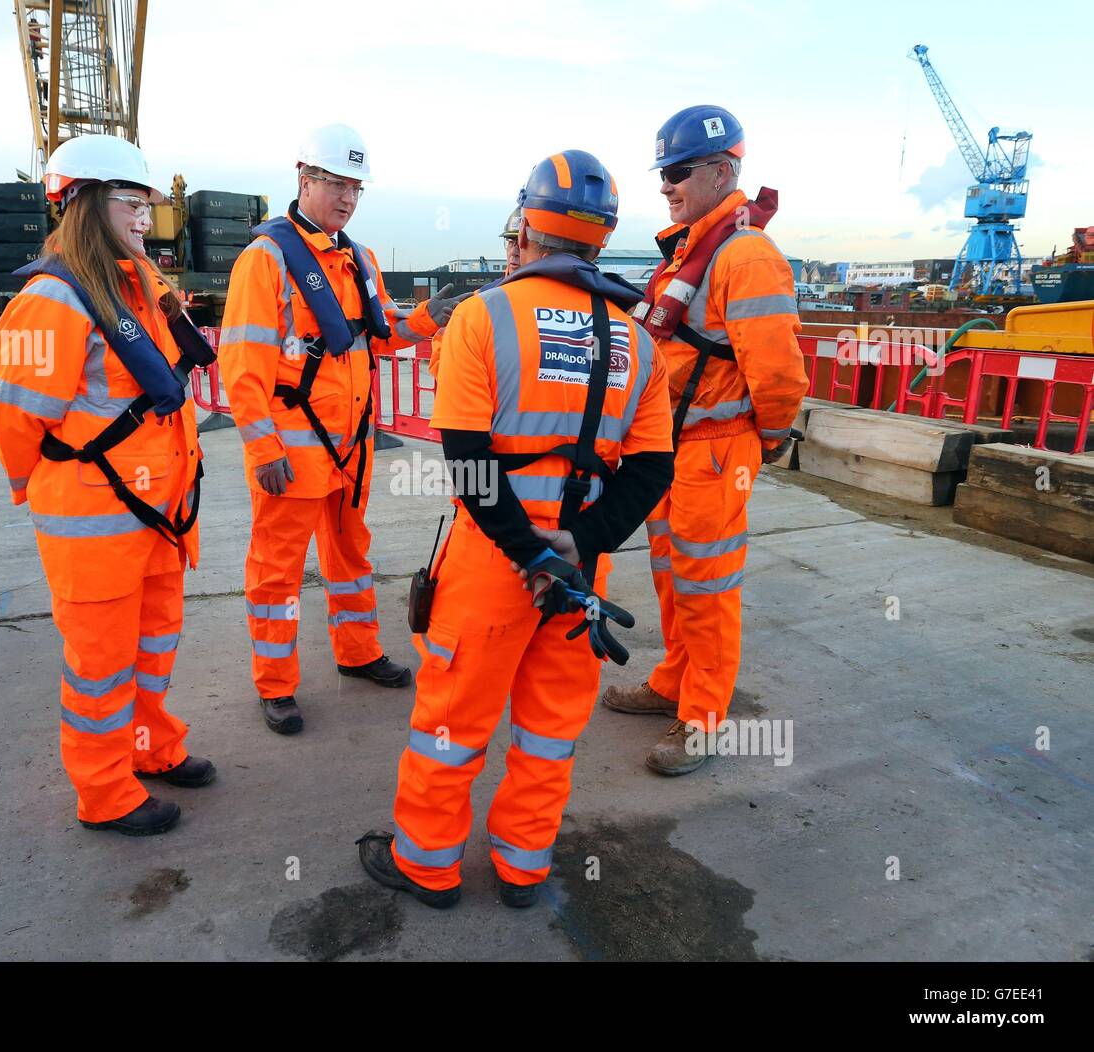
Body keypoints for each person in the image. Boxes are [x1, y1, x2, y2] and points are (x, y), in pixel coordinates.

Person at [358, 150, 675, 909]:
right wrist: (581, 545)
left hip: (494, 560)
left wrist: (528, 551)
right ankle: (523, 866)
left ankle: (428, 865)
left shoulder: (483, 315)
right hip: (576, 570)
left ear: (525, 227)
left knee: (453, 720)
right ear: (600, 240)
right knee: (550, 727)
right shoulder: (638, 340)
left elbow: (468, 461)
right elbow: (653, 468)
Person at [0, 134, 216, 836]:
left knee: (152, 647)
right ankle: (105, 793)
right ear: (83, 204)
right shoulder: (48, 301)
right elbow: (10, 418)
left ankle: (150, 748)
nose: (146, 219)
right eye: (130, 203)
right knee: (101, 668)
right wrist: (45, 488)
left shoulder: (139, 286)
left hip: (159, 516)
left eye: (149, 204)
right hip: (95, 523)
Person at [219, 123, 470, 736]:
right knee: (277, 572)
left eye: (355, 187)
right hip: (292, 450)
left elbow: (380, 333)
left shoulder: (359, 258)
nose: (347, 198)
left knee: (352, 557)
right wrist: (261, 445)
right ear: (303, 179)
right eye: (335, 183)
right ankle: (275, 687)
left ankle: (358, 653)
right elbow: (241, 362)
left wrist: (427, 321)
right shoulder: (266, 259)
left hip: (350, 447)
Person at [600, 105, 807, 775]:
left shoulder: (745, 256)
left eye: (678, 171)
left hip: (717, 449)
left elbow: (777, 373)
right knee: (673, 578)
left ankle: (705, 716)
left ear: (722, 171)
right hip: (673, 450)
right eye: (663, 173)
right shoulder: (697, 247)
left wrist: (765, 439)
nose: (666, 185)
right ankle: (673, 682)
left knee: (707, 586)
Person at [427, 204, 522, 380]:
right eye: (510, 242)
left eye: (522, 243)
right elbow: (442, 348)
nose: (514, 252)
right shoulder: (481, 298)